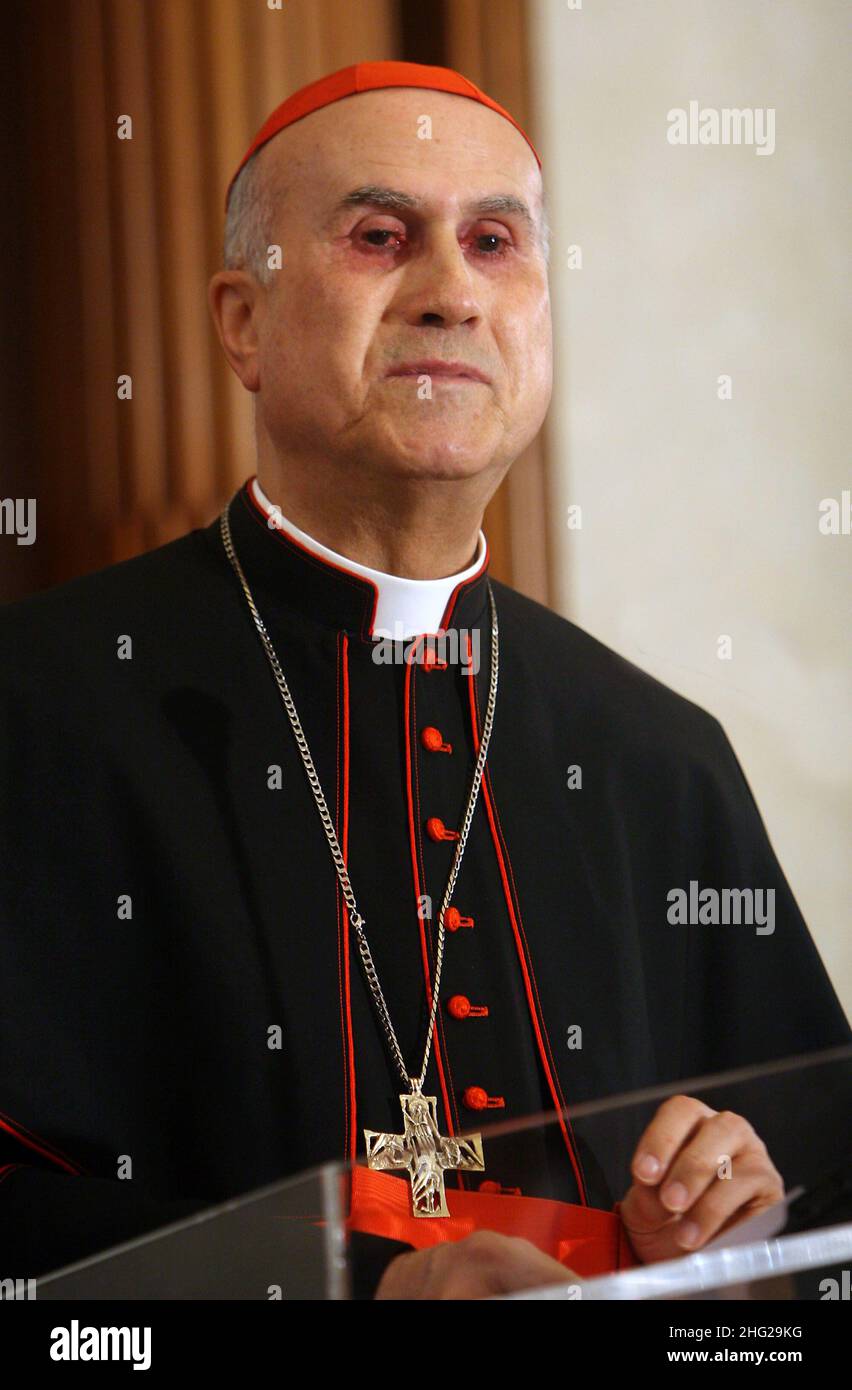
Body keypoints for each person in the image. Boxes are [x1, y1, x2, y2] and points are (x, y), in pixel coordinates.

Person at [0, 62, 847, 1300]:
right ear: (242, 321)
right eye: (381, 236)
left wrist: (741, 1250)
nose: (451, 291)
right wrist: (347, 1286)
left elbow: (824, 1213)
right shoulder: (45, 703)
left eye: (495, 241)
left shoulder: (658, 754)